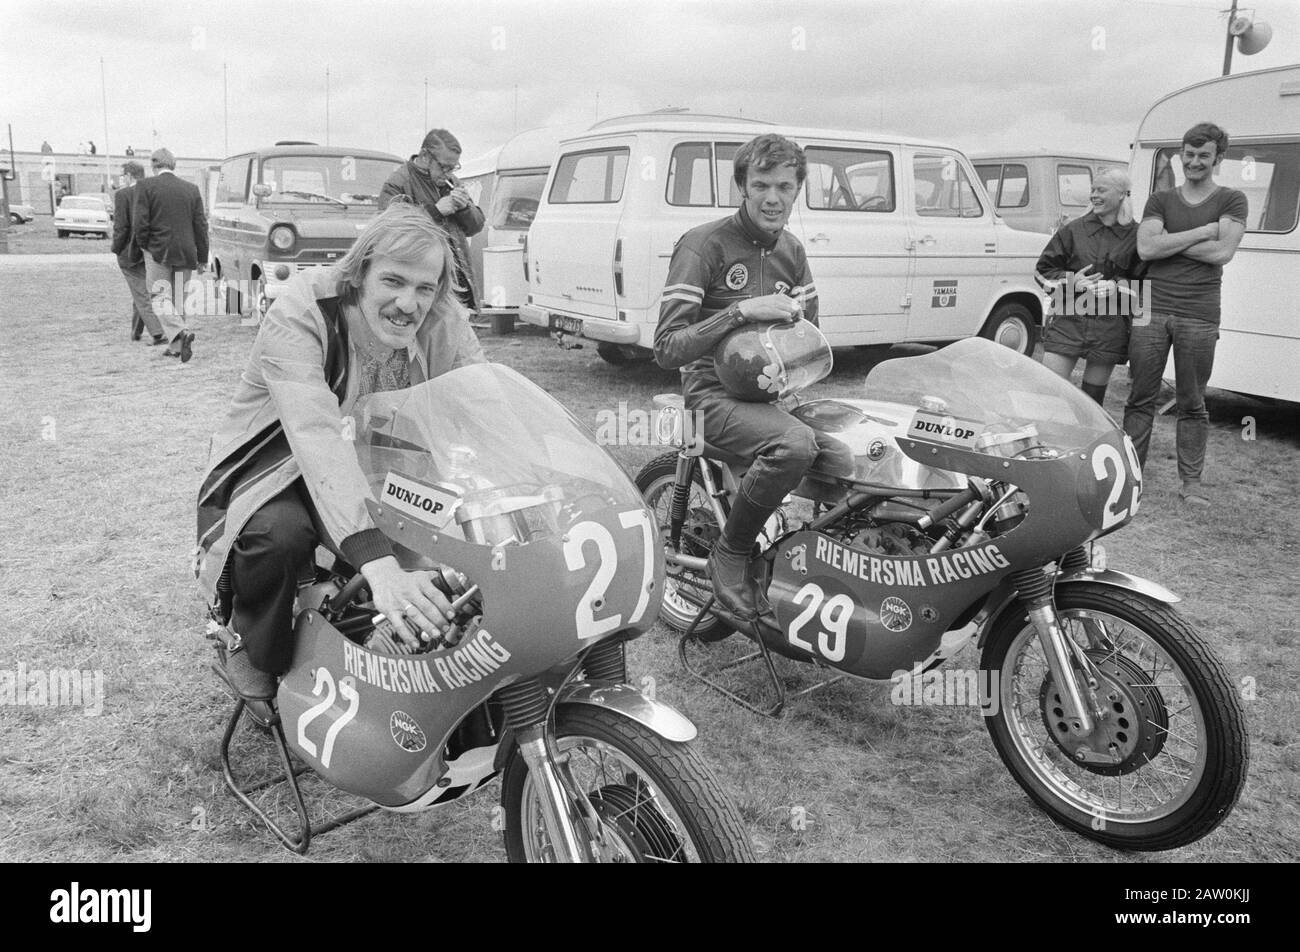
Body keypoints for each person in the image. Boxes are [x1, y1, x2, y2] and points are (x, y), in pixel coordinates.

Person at [194, 204, 486, 700]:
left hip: (378, 462)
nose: (409, 303)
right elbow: (316, 434)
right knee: (280, 537)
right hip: (278, 464)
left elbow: (482, 402)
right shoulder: (302, 309)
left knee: (455, 538)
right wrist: (378, 562)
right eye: (393, 281)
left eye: (425, 287)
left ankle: (387, 649)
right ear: (359, 272)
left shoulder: (442, 321)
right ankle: (249, 641)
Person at [654, 133, 854, 622]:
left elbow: (810, 335)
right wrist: (740, 312)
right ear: (741, 185)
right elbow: (666, 348)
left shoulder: (793, 251)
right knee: (794, 446)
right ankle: (732, 550)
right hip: (710, 395)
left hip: (772, 398)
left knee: (862, 453)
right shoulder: (704, 245)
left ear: (797, 189)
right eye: (761, 184)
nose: (772, 198)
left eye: (784, 186)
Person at [1123, 122, 1247, 508]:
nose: (1194, 162)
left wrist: (1168, 243)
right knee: (1139, 396)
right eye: (1189, 155)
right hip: (1152, 308)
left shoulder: (1232, 199)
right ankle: (1130, 477)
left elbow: (1222, 253)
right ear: (1182, 155)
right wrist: (1200, 232)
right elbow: (1145, 249)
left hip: (1199, 311)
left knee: (1192, 401)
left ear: (1218, 158)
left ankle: (1190, 484)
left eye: (1203, 156)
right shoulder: (1160, 199)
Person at [1034, 167, 1145, 405]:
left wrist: (1117, 288)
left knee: (1091, 401)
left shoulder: (1137, 235)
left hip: (1110, 328)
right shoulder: (1073, 230)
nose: (1094, 195)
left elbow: (1145, 288)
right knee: (1049, 393)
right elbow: (1042, 272)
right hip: (1068, 320)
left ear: (1122, 195)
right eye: (1093, 190)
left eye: (1101, 190)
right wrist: (1074, 282)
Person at [378, 128, 484, 312]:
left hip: (456, 286)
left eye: (453, 168)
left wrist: (465, 207)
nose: (448, 173)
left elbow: (476, 226)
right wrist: (435, 211)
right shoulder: (399, 183)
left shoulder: (452, 182)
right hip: (422, 286)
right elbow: (388, 232)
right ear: (425, 156)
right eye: (444, 167)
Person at [133, 148, 208, 362]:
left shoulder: (145, 186)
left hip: (157, 250)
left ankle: (180, 332)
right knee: (177, 301)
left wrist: (144, 245)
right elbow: (200, 226)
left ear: (154, 165)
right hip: (186, 251)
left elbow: (140, 223)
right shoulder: (191, 189)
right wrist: (202, 257)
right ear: (173, 164)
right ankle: (177, 347)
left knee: (158, 296)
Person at [112, 161, 167, 345]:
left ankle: (158, 332)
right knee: (141, 291)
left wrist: (116, 248)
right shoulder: (153, 192)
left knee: (141, 293)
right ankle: (136, 331)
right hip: (151, 251)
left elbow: (121, 226)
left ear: (129, 175)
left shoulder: (122, 195)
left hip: (130, 252)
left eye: (123, 175)